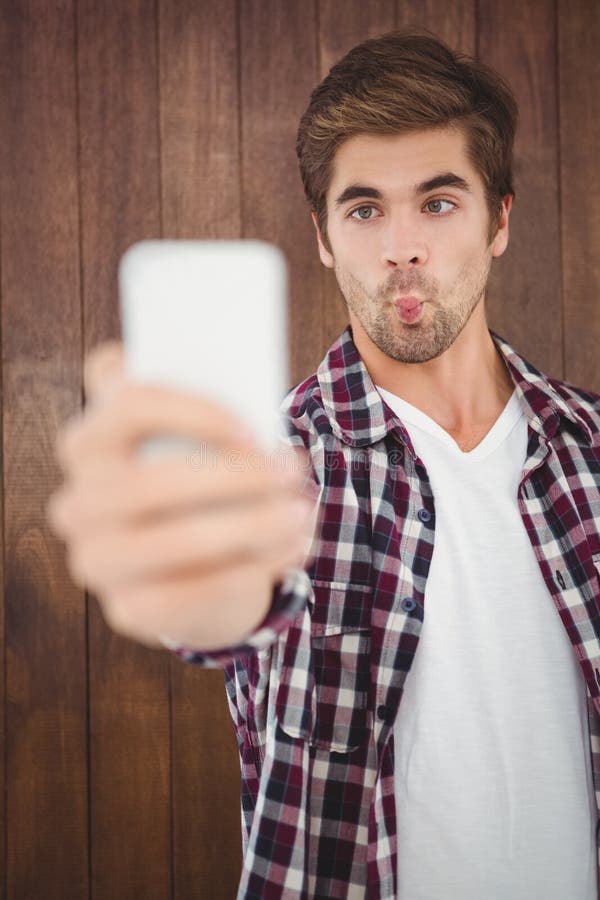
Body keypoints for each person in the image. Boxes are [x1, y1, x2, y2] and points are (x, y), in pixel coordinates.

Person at [46, 30, 600, 900]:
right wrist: (196, 591)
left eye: (440, 203)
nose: (401, 248)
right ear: (324, 238)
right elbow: (232, 608)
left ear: (499, 222)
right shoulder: (271, 465)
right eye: (365, 209)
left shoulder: (591, 451)